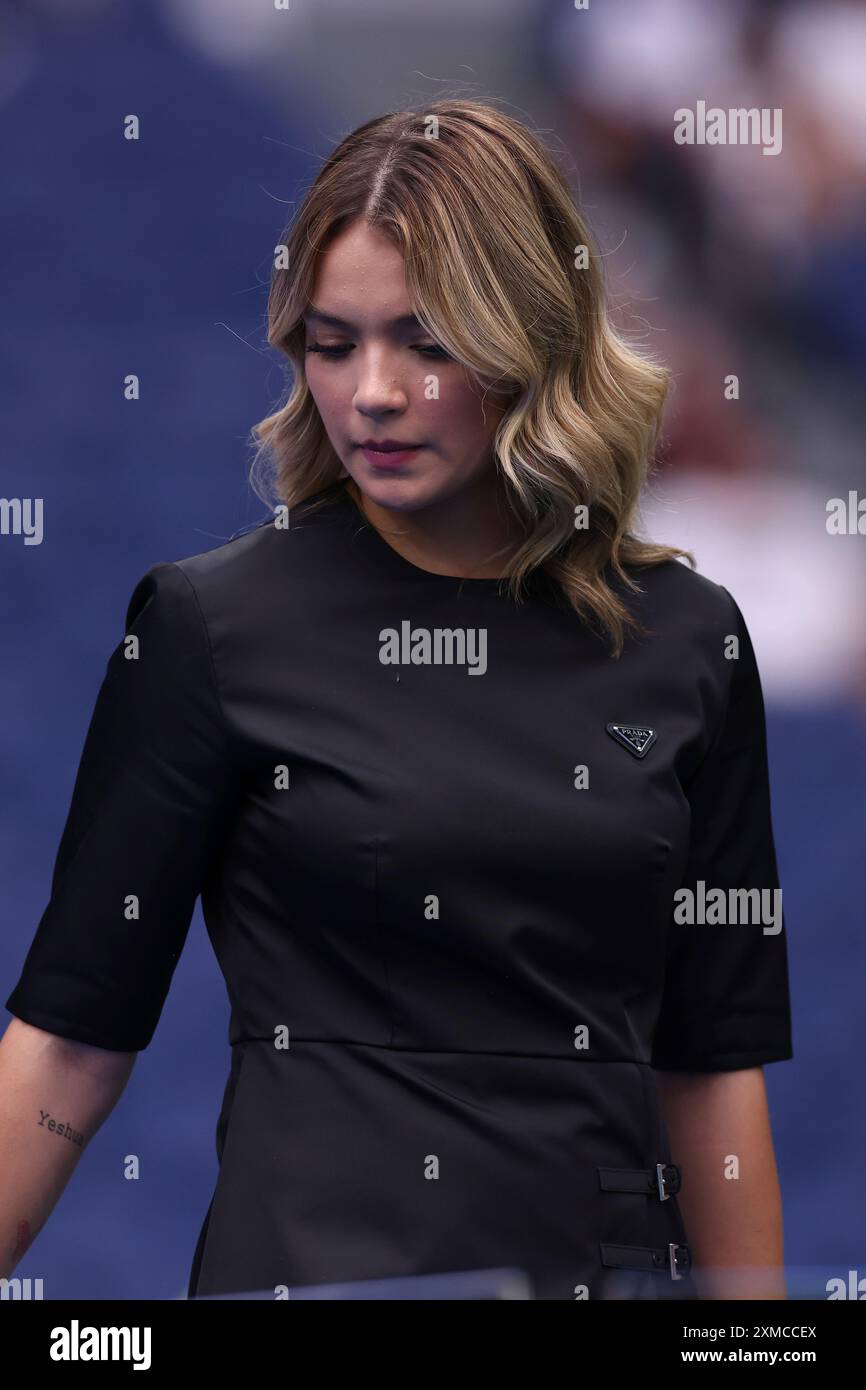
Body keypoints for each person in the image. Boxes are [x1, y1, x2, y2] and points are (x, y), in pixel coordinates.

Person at [0, 99, 792, 1301]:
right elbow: (68, 1042)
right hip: (311, 1287)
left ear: (531, 334)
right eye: (332, 343)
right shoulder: (207, 628)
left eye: (425, 341)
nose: (371, 391)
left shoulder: (688, 641)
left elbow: (712, 1065)